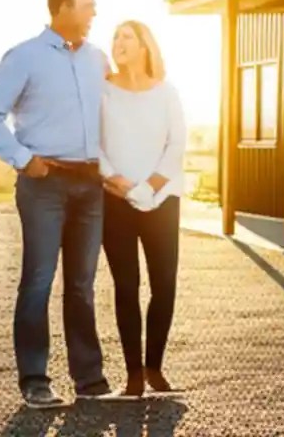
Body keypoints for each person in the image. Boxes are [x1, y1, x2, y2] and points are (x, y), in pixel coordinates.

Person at [0, 0, 115, 409]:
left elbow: (118, 114)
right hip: (44, 183)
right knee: (38, 280)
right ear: (63, 9)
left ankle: (89, 380)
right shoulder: (25, 58)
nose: (94, 13)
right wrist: (21, 158)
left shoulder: (98, 60)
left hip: (91, 185)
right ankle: (35, 380)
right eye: (88, 5)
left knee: (82, 285)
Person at [99, 20, 186, 398]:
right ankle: (133, 376)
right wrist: (117, 181)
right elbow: (93, 143)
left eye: (126, 37)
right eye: (115, 37)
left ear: (144, 46)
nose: (118, 43)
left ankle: (155, 368)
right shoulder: (102, 92)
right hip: (115, 200)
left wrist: (150, 186)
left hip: (162, 199)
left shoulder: (166, 93)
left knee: (164, 284)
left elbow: (177, 144)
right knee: (126, 286)